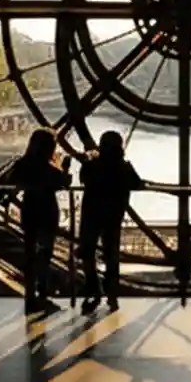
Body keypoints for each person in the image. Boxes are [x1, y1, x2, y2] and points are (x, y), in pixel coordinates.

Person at [78, 131, 144, 314]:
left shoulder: (92, 166)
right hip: (114, 215)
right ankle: (111, 291)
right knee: (111, 253)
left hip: (91, 213)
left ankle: (92, 286)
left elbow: (83, 179)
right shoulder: (123, 168)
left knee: (87, 251)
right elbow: (137, 184)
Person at [10, 128, 71, 313]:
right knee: (44, 256)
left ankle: (30, 297)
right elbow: (63, 182)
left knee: (30, 255)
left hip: (29, 211)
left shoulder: (22, 165)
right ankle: (42, 295)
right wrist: (65, 167)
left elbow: (14, 182)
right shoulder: (49, 169)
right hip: (47, 212)